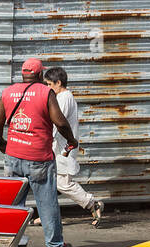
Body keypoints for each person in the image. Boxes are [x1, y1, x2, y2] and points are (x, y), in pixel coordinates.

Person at [0, 57, 79, 247]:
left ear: (23, 73)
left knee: (13, 206)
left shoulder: (8, 92)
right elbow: (61, 123)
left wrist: (1, 143)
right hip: (39, 158)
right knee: (47, 203)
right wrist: (71, 140)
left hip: (13, 157)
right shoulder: (45, 92)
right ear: (40, 75)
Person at [43, 66, 105, 228]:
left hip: (64, 149)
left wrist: (43, 140)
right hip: (60, 148)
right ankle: (49, 217)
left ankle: (93, 204)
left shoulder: (64, 98)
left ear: (58, 83)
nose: (47, 88)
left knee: (62, 183)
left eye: (49, 84)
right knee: (49, 182)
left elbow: (57, 124)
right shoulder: (63, 97)